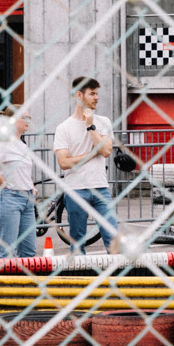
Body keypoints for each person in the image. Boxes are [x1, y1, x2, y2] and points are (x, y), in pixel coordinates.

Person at [53, 76, 118, 255]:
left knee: (112, 236)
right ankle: (81, 280)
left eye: (97, 94)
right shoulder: (64, 128)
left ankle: (117, 278)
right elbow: (64, 162)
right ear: (79, 95)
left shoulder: (103, 122)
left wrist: (91, 127)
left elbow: (105, 151)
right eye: (92, 94)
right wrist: (91, 153)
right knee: (77, 240)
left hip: (100, 187)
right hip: (76, 189)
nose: (97, 97)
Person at [0, 109, 38, 259]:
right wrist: (1, 180)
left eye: (29, 118)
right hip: (9, 197)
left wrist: (31, 186)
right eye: (25, 118)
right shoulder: (4, 142)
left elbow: (22, 170)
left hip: (26, 198)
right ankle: (6, 282)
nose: (28, 122)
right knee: (7, 253)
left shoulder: (22, 144)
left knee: (29, 252)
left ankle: (26, 282)